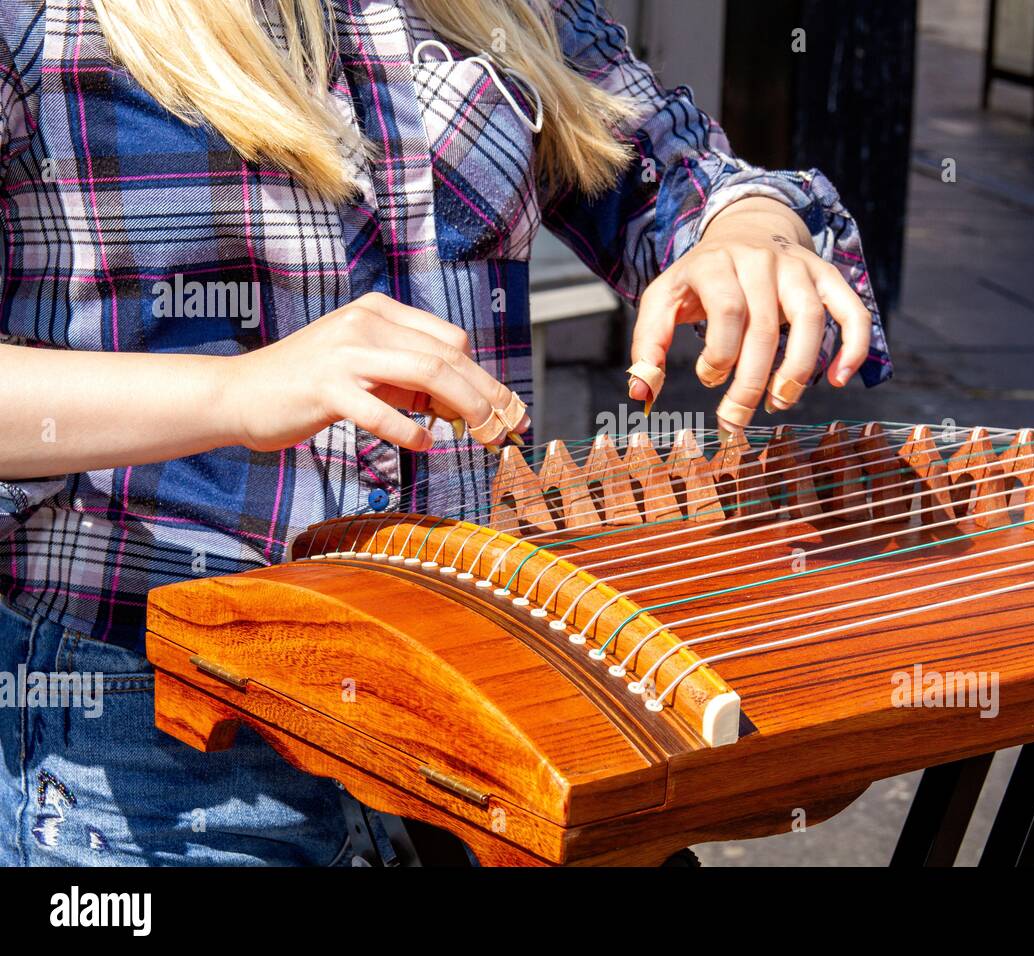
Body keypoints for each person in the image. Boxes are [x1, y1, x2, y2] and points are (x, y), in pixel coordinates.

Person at [0, 0, 891, 865]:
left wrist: (749, 231)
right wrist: (237, 390)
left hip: (479, 681)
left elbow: (674, 167)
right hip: (160, 721)